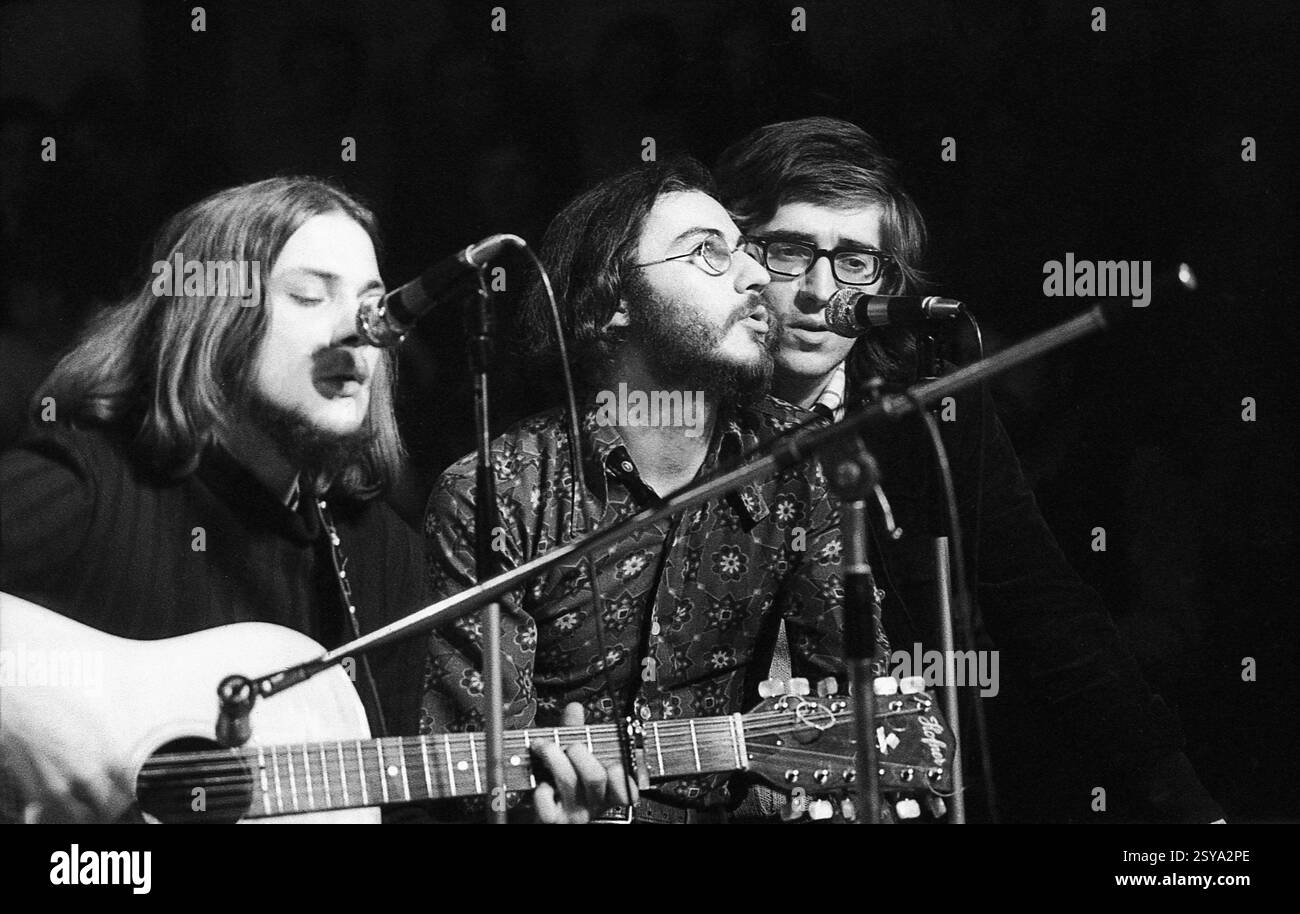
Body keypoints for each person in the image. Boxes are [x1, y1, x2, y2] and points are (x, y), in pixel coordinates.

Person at [0, 176, 599, 825]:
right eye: (311, 296)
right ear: (213, 317)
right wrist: (38, 721)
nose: (360, 329)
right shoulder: (89, 486)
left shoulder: (381, 553)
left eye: (377, 306)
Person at [713, 116, 1224, 822]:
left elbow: (1042, 601)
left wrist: (1174, 791)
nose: (818, 291)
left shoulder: (928, 408)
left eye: (854, 261)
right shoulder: (684, 414)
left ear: (888, 281)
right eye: (788, 252)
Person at [420, 157, 896, 823]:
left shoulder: (798, 463)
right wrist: (537, 807)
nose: (757, 276)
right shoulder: (494, 493)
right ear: (614, 302)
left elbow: (860, 694)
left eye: (745, 251)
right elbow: (469, 771)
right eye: (707, 252)